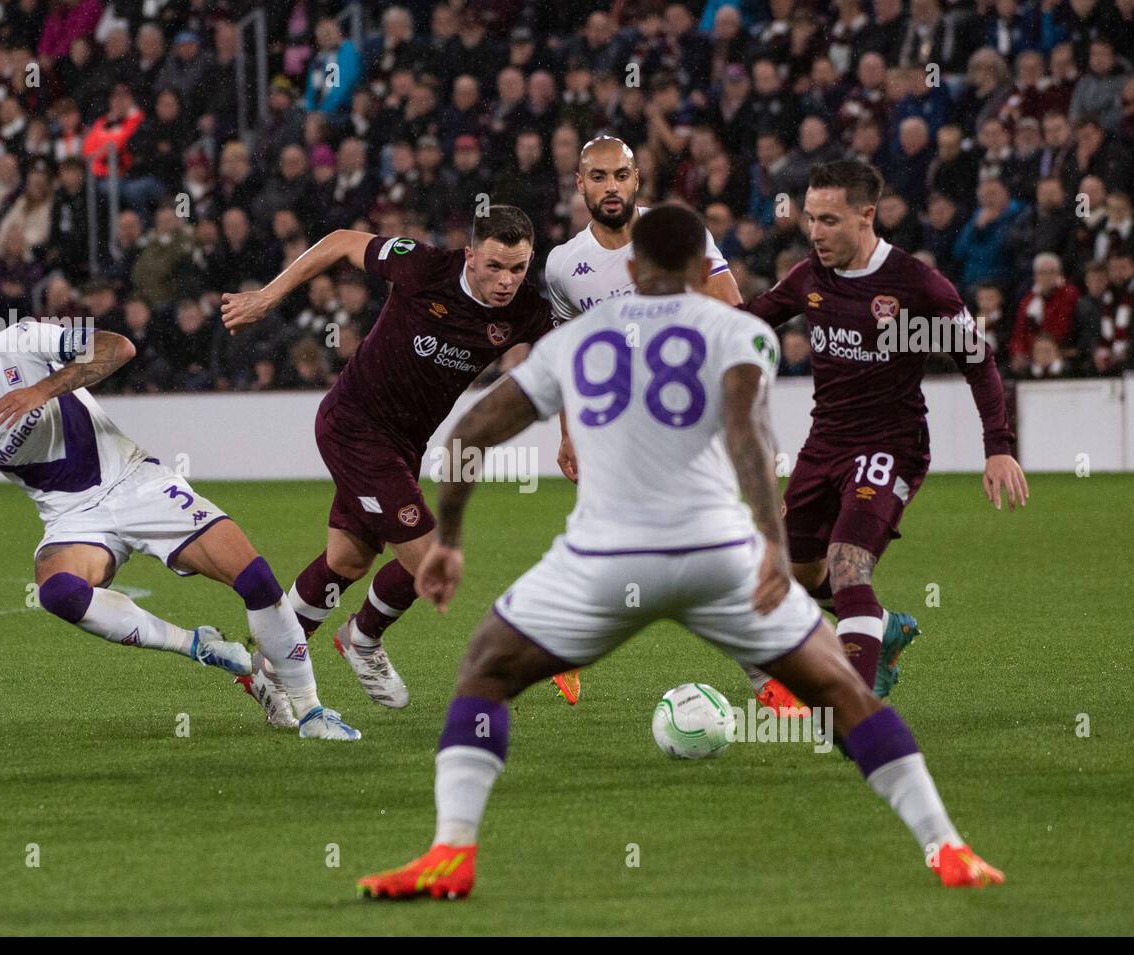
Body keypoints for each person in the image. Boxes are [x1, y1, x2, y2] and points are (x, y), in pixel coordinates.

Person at [356, 204, 1004, 899]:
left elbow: (470, 436)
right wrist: (771, 545)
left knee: (485, 672)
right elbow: (749, 440)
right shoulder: (737, 330)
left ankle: (452, 850)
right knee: (843, 692)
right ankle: (950, 849)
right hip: (717, 554)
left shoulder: (580, 338)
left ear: (632, 270)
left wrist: (449, 540)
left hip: (602, 560)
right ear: (704, 270)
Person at [0, 318, 359, 742]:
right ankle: (195, 643)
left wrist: (44, 388)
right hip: (73, 519)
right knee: (58, 593)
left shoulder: (17, 343)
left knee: (255, 579)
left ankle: (312, 711)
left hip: (137, 481)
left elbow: (117, 347)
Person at [220, 207, 551, 709]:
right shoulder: (423, 266)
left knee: (347, 560)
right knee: (429, 560)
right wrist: (267, 297)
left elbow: (570, 359)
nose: (506, 281)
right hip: (354, 424)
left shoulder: (523, 310)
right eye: (494, 267)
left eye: (518, 268)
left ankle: (268, 666)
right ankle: (363, 637)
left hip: (404, 446)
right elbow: (337, 241)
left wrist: (571, 437)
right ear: (470, 256)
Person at [740, 161, 1029, 708]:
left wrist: (998, 449)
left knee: (849, 561)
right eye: (809, 219)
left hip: (890, 447)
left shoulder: (915, 285)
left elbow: (977, 358)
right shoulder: (810, 278)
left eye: (829, 220)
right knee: (798, 574)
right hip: (823, 445)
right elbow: (749, 318)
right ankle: (881, 624)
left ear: (866, 216)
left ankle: (856, 714)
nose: (816, 232)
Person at [541, 134, 741, 705]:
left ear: (637, 181)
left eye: (621, 176)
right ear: (579, 185)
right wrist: (567, 430)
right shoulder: (563, 267)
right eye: (598, 177)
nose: (610, 187)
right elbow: (567, 352)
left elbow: (732, 310)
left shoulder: (679, 234)